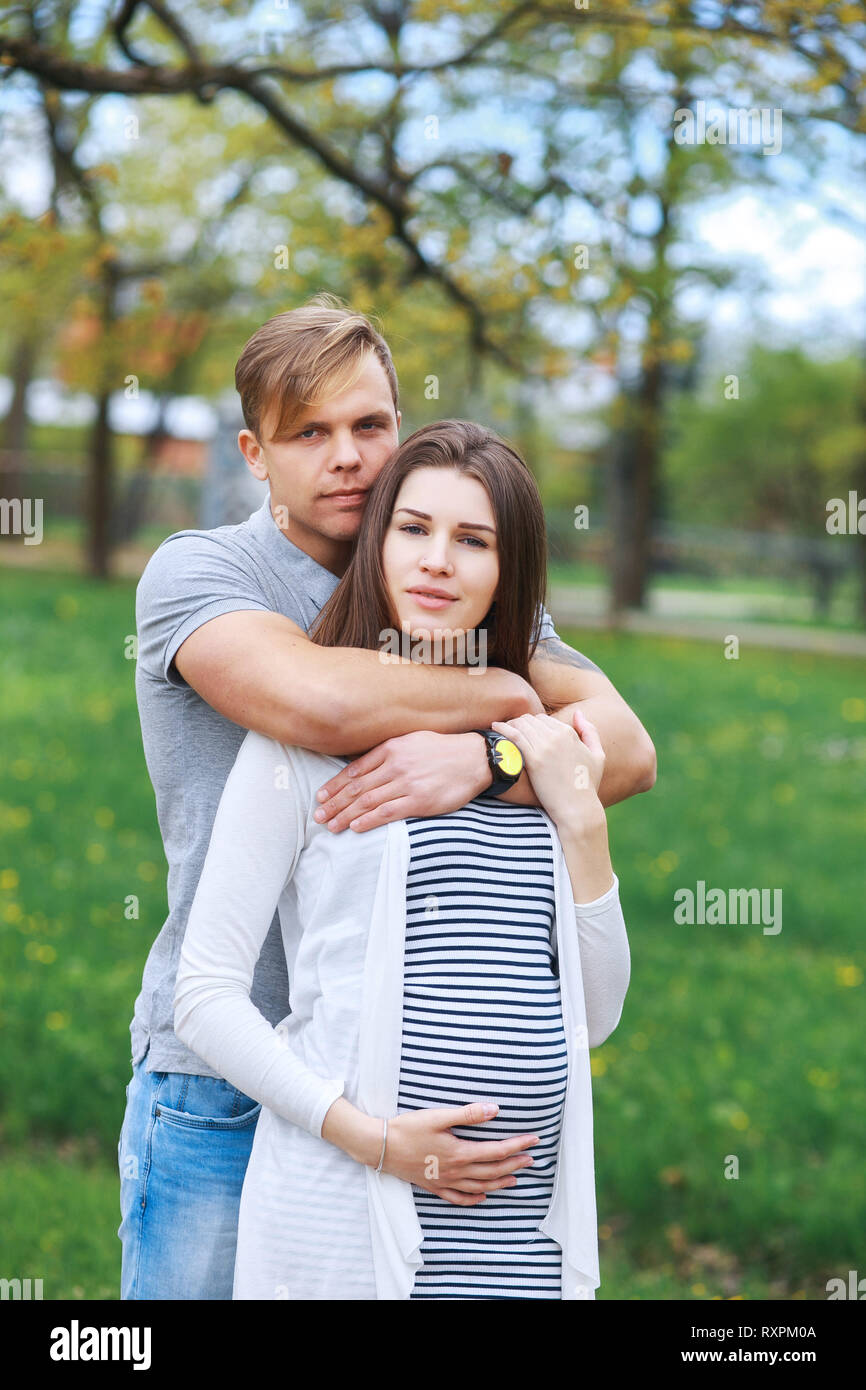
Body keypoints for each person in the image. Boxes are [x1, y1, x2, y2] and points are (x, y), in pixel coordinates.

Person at [118, 295, 655, 1300]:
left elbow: (622, 750)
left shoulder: (444, 575)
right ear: (253, 451)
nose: (348, 457)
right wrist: (501, 700)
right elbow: (314, 702)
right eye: (308, 433)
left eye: (369, 425)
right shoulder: (203, 573)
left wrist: (485, 761)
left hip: (407, 1093)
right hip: (222, 1075)